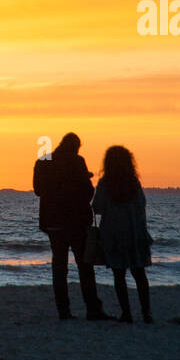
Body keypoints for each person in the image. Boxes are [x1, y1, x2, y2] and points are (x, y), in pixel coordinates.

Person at [33, 133, 110, 321]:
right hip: (76, 223)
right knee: (85, 267)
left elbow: (38, 190)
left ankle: (64, 312)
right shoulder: (77, 161)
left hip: (53, 223)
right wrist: (85, 178)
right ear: (76, 146)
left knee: (59, 268)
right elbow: (88, 192)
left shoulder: (43, 161)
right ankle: (92, 309)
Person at [92, 145, 153, 324]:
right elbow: (142, 205)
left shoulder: (105, 183)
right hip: (134, 232)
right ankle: (146, 313)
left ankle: (126, 314)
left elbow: (97, 207)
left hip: (113, 234)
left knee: (119, 275)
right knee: (139, 274)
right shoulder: (133, 182)